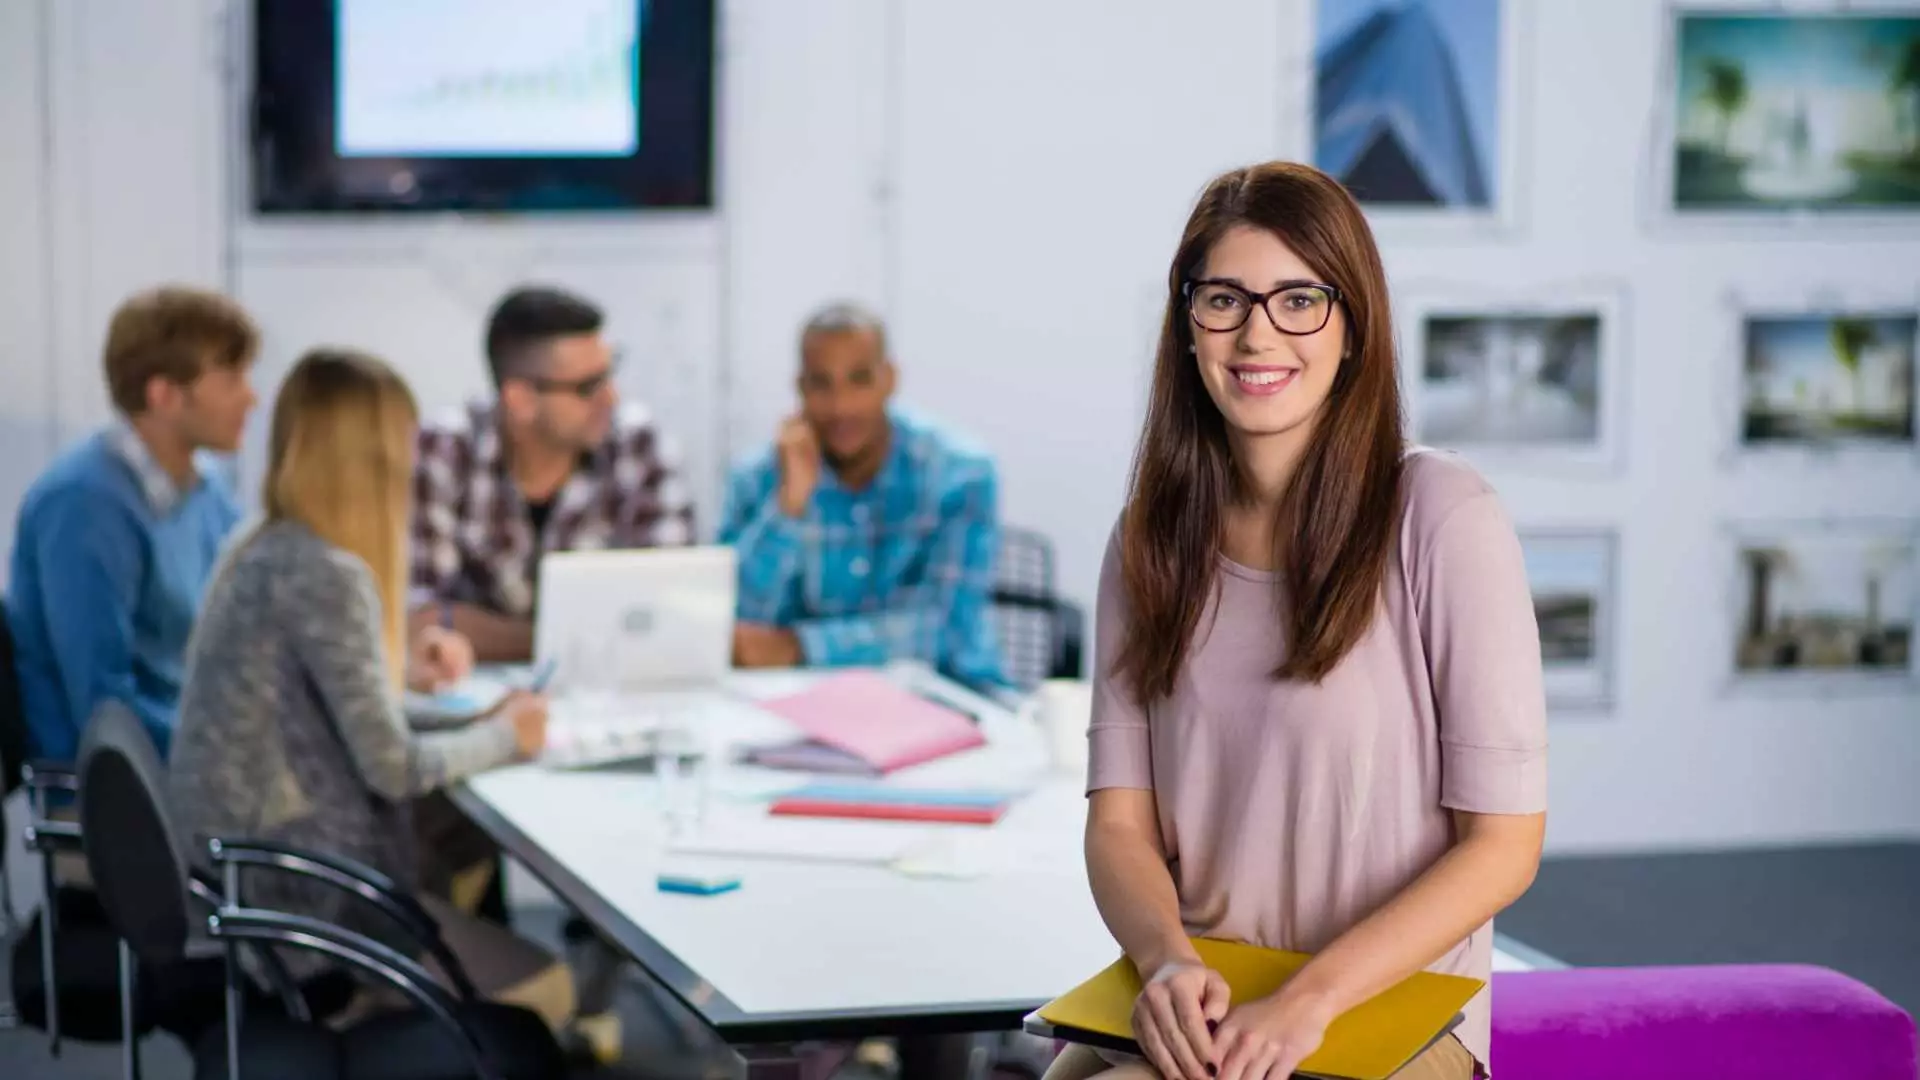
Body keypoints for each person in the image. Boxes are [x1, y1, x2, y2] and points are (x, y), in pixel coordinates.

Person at [1046, 162, 1547, 1080]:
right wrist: (1165, 962)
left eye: (1300, 300)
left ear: (1353, 326)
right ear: (1187, 325)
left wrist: (1307, 1002)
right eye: (1224, 299)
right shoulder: (1148, 540)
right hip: (1210, 996)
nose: (1256, 333)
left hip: (1393, 1017)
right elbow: (1120, 828)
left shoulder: (1442, 516)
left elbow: (1504, 846)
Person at [167, 348, 584, 1038]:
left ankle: (410, 1010)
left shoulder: (265, 543)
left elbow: (340, 711)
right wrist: (509, 736)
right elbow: (390, 765)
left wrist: (478, 718)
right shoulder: (325, 573)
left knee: (464, 843)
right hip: (296, 908)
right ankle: (384, 1014)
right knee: (550, 987)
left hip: (239, 876)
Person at [6, 285, 258, 764]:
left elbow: (252, 617)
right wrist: (237, 754)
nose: (252, 397)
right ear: (164, 394)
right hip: (125, 789)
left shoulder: (206, 488)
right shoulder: (83, 505)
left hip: (190, 759)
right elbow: (104, 707)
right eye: (231, 378)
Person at [717, 301, 1007, 693]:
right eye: (821, 384)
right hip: (803, 706)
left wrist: (799, 647)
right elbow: (732, 631)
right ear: (800, 387)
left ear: (890, 379)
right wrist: (788, 507)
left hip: (942, 697)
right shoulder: (758, 478)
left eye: (860, 379)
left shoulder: (960, 473)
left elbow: (947, 628)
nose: (841, 406)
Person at [410, 284, 696, 662]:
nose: (612, 398)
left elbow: (669, 607)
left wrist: (489, 633)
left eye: (610, 373)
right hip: (474, 696)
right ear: (521, 400)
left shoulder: (638, 442)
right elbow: (422, 621)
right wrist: (571, 640)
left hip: (609, 697)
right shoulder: (444, 450)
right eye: (588, 386)